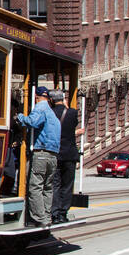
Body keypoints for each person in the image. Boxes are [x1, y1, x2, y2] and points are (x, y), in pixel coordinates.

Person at [14, 86, 60, 227]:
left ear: (36, 97)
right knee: (47, 187)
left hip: (41, 154)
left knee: (35, 187)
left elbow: (33, 122)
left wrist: (19, 117)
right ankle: (47, 217)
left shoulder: (41, 107)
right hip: (53, 156)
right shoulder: (52, 113)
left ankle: (39, 218)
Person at [50, 89, 84, 224]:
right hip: (70, 154)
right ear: (63, 99)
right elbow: (72, 126)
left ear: (51, 100)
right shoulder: (72, 113)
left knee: (55, 185)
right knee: (67, 185)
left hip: (56, 153)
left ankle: (55, 213)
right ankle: (63, 213)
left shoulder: (51, 113)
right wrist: (66, 105)